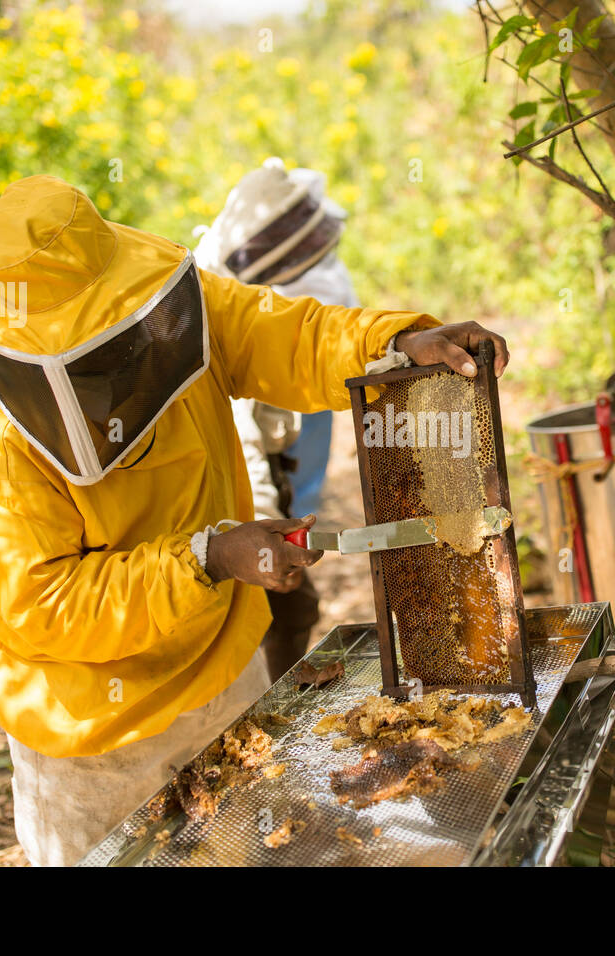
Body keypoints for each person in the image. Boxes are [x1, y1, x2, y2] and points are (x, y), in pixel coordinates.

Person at [0, 175, 508, 865]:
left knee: (252, 854)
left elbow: (284, 334)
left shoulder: (166, 312)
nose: (118, 362)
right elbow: (43, 607)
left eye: (111, 335)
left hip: (222, 675)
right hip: (96, 741)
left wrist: (393, 344)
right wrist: (206, 558)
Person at [195, 158, 363, 677]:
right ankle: (274, 699)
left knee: (294, 603)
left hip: (285, 441)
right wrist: (263, 530)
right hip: (234, 482)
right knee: (269, 602)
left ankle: (283, 683)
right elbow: (239, 441)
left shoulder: (286, 228)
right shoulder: (210, 316)